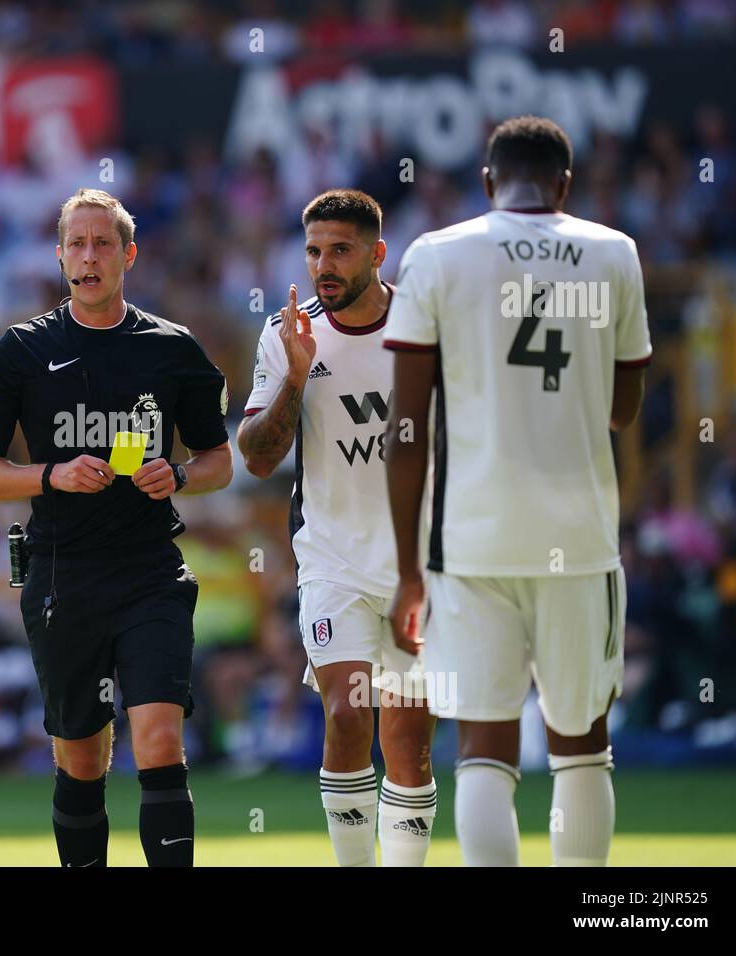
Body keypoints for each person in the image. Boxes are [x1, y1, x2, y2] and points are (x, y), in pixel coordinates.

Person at [384, 115, 652, 866]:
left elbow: (406, 431)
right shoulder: (614, 253)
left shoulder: (436, 256)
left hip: (471, 537)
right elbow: (624, 408)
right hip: (582, 535)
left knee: (483, 746)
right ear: (567, 183)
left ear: (487, 181)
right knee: (580, 747)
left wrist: (408, 568)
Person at [0, 188, 233, 867]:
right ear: (58, 257)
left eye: (101, 243)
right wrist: (51, 475)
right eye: (75, 244)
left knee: (161, 742)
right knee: (81, 759)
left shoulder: (172, 349)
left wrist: (182, 475)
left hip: (150, 572)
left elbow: (221, 458)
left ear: (128, 255)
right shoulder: (18, 351)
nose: (88, 256)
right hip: (61, 574)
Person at [239, 189, 437, 867]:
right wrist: (295, 377)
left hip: (418, 563)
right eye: (315, 250)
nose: (325, 264)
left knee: (409, 737)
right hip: (332, 560)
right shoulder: (288, 333)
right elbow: (259, 458)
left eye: (341, 250)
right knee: (350, 715)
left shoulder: (425, 324)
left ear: (378, 254)